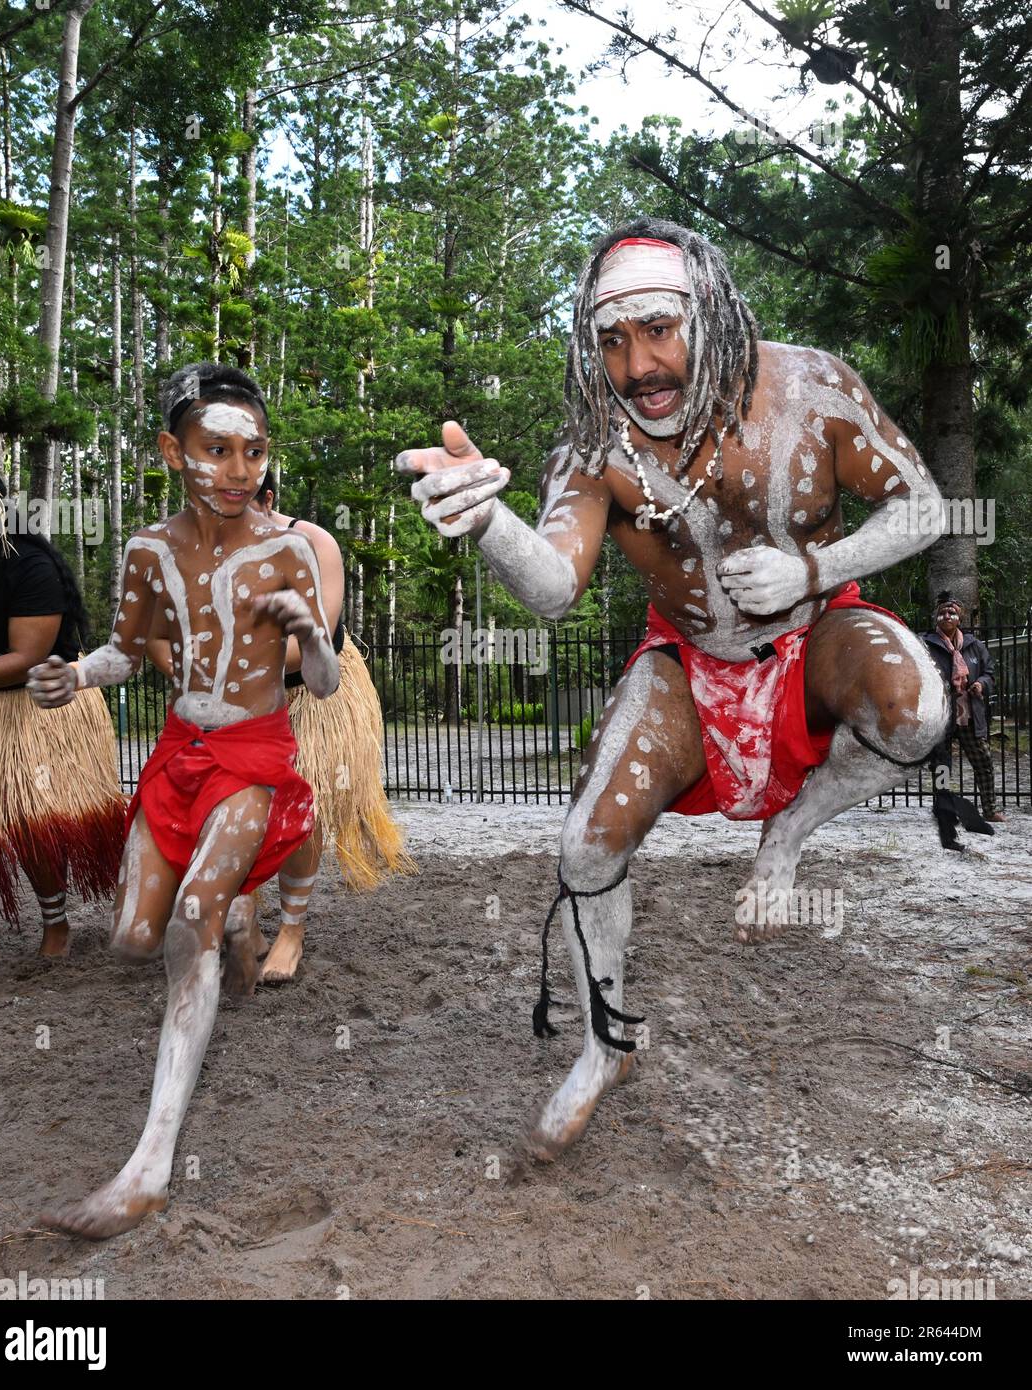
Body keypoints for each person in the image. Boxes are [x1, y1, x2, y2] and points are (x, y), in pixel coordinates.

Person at [398, 219, 950, 1161]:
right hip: (686, 660)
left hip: (813, 633)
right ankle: (600, 1046)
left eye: (658, 330)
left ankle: (787, 836)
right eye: (612, 340)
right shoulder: (590, 439)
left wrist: (813, 569)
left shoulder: (810, 386)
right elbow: (550, 592)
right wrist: (483, 521)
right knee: (584, 842)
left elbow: (926, 506)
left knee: (918, 712)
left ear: (712, 314)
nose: (638, 363)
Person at [27, 363, 339, 1237]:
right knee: (129, 938)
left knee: (186, 924)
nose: (237, 469)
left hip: (252, 752)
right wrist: (76, 676)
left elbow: (320, 682)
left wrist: (311, 631)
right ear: (174, 451)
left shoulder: (289, 550)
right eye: (216, 450)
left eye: (252, 451)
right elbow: (128, 652)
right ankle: (237, 923)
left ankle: (147, 1168)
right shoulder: (146, 551)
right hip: (178, 752)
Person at [145, 475, 414, 983]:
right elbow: (158, 637)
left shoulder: (315, 545)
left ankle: (292, 928)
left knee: (300, 804)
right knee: (225, 804)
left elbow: (320, 639)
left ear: (266, 500)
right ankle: (246, 917)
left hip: (307, 693)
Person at [0, 460, 125, 983]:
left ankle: (56, 926)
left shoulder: (27, 563)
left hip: (29, 707)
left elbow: (28, 657)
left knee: (30, 824)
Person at [923, 593, 1002, 844]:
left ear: (960, 616)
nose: (947, 616)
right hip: (942, 713)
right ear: (936, 616)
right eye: (943, 612)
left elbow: (990, 673)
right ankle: (945, 809)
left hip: (969, 712)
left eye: (952, 612)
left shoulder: (974, 645)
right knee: (942, 764)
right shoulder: (926, 644)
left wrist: (980, 683)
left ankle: (989, 808)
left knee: (982, 759)